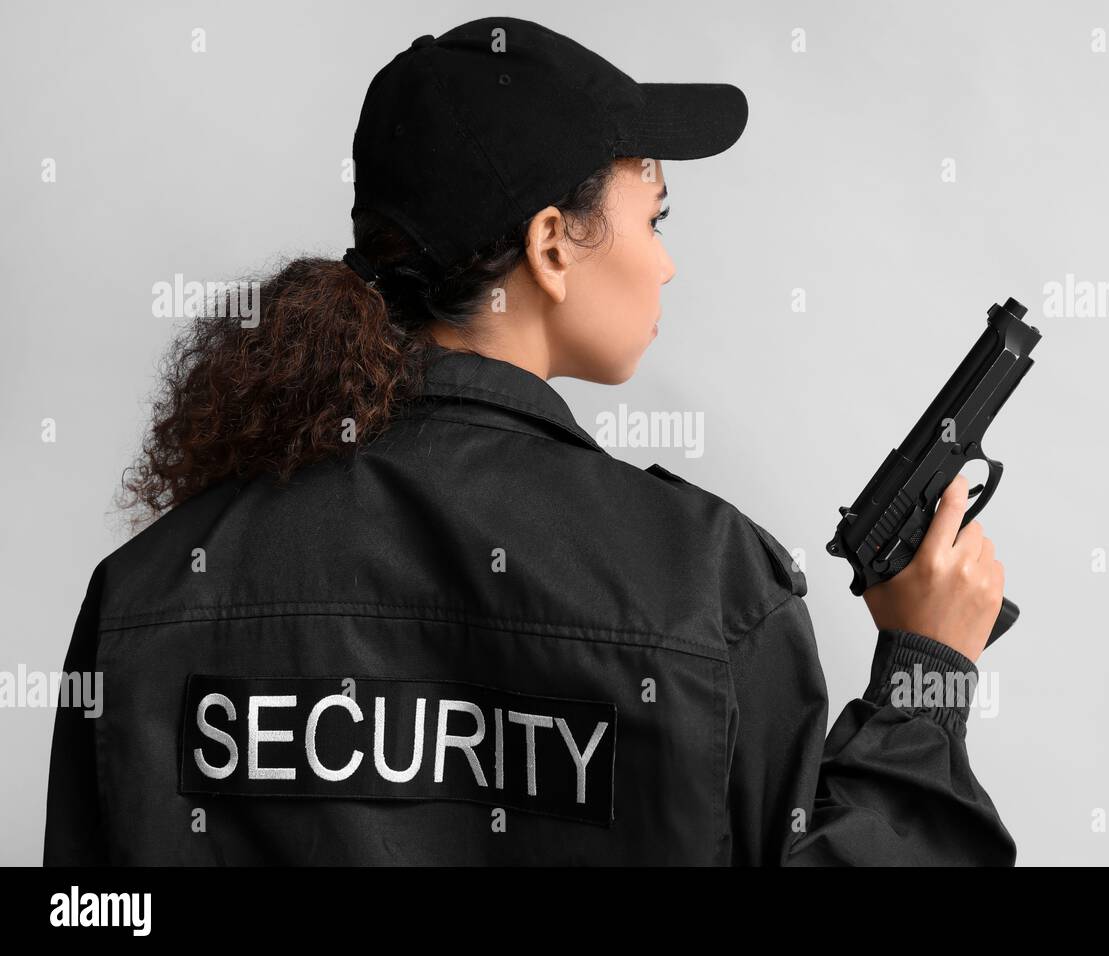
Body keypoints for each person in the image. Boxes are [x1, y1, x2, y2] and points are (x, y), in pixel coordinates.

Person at [42, 16, 1015, 866]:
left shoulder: (149, 593)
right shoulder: (709, 586)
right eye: (655, 217)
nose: (668, 263)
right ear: (552, 244)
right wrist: (926, 670)